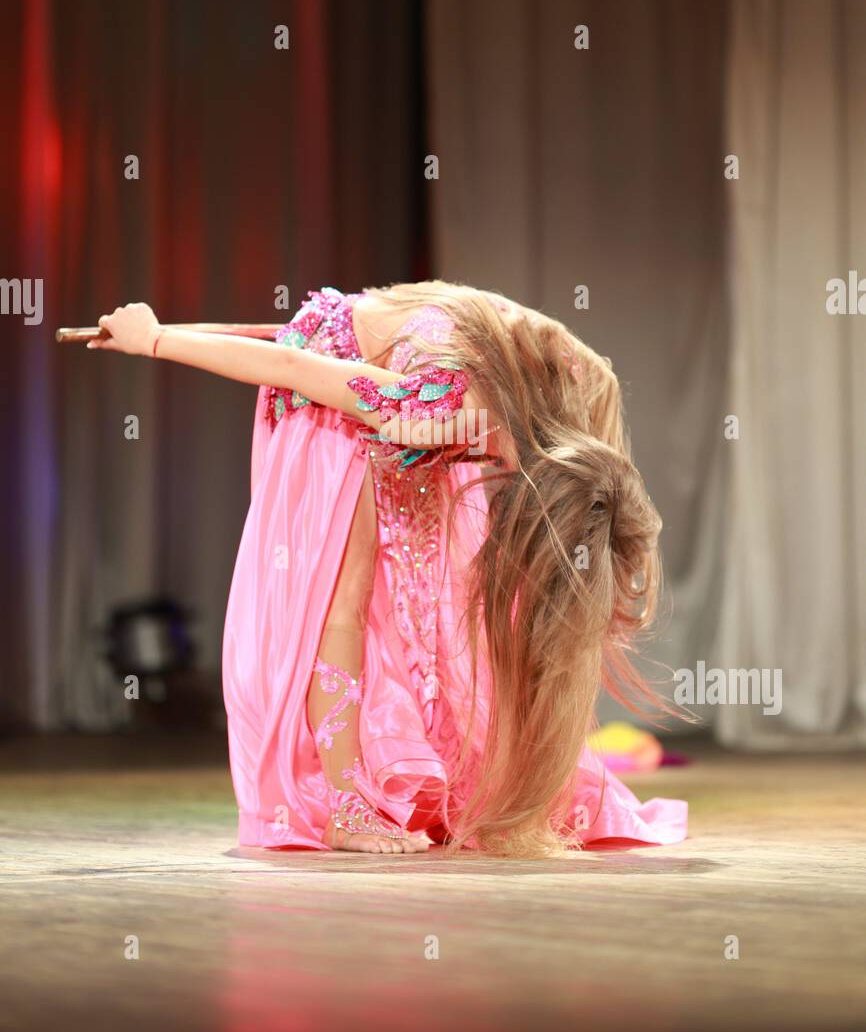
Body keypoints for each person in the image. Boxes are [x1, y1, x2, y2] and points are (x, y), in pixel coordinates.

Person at [89, 282, 688, 857]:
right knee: (345, 600)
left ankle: (432, 762)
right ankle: (347, 803)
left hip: (408, 373)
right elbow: (291, 368)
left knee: (437, 587)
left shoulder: (575, 382)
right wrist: (155, 338)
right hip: (331, 386)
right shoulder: (437, 410)